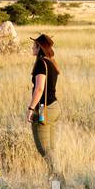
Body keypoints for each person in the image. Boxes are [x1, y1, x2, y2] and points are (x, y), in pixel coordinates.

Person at [26, 34, 64, 181]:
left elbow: (39, 89)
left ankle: (58, 178)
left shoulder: (41, 64)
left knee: (43, 148)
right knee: (51, 148)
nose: (32, 47)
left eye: (34, 45)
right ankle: (54, 177)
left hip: (44, 108)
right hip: (54, 106)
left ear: (39, 48)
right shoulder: (51, 62)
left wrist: (30, 108)